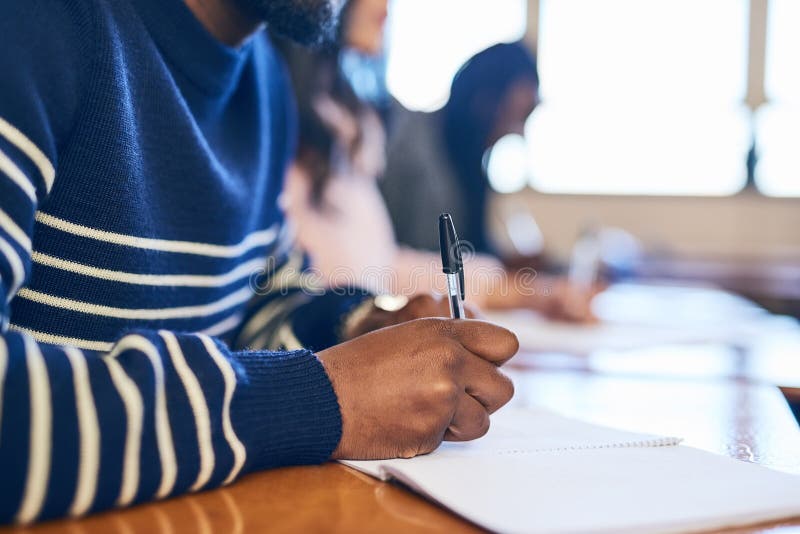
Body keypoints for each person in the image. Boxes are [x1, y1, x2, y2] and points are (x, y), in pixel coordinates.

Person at [0, 0, 518, 524]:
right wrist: (322, 399)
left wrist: (363, 323)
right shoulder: (30, 25)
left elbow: (263, 295)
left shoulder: (263, 79)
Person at [279, 5, 594, 320]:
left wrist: (528, 292)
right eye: (521, 113)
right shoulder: (305, 133)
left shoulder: (343, 129)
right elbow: (345, 280)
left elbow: (384, 267)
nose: (386, 8)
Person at [382, 42, 540, 257]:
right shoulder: (415, 148)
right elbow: (427, 254)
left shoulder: (472, 163)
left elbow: (472, 247)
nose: (519, 132)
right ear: (486, 102)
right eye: (520, 115)